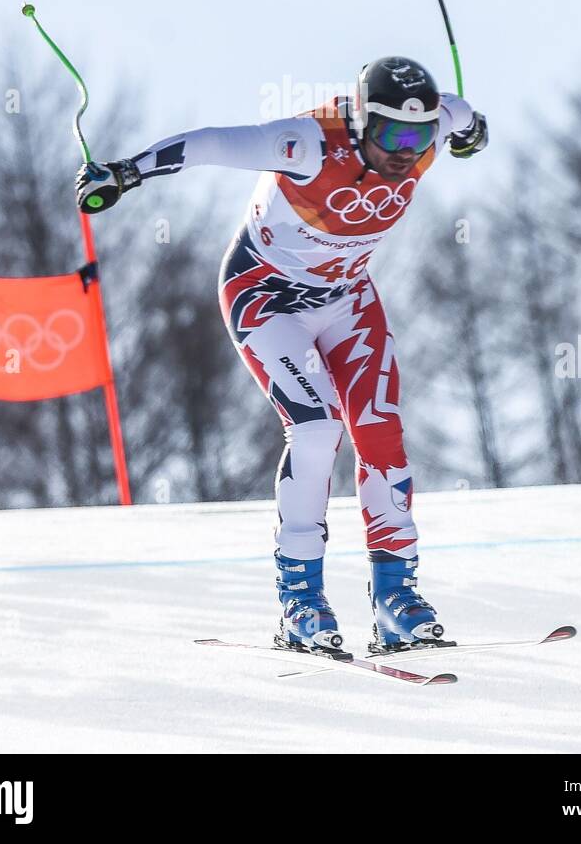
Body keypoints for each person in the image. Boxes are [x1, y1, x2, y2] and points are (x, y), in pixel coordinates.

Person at [76, 56, 488, 658]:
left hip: (347, 297)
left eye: (422, 136)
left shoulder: (433, 122)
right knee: (317, 431)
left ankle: (396, 601)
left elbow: (467, 119)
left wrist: (473, 132)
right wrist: (124, 173)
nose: (408, 152)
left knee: (379, 430)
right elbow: (211, 144)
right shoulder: (307, 144)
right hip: (266, 298)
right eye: (394, 136)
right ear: (363, 121)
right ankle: (301, 602)